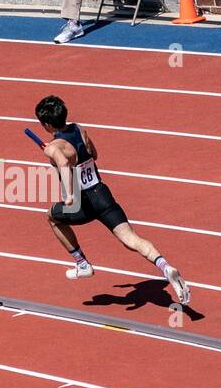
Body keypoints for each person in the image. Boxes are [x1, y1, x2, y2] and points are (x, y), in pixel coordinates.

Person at [35, 95, 190, 304]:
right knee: (131, 239)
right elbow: (93, 154)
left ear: (46, 124)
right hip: (102, 194)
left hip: (83, 203)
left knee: (52, 218)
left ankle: (82, 263)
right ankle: (165, 266)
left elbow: (63, 162)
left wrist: (69, 193)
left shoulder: (54, 148)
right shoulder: (79, 129)